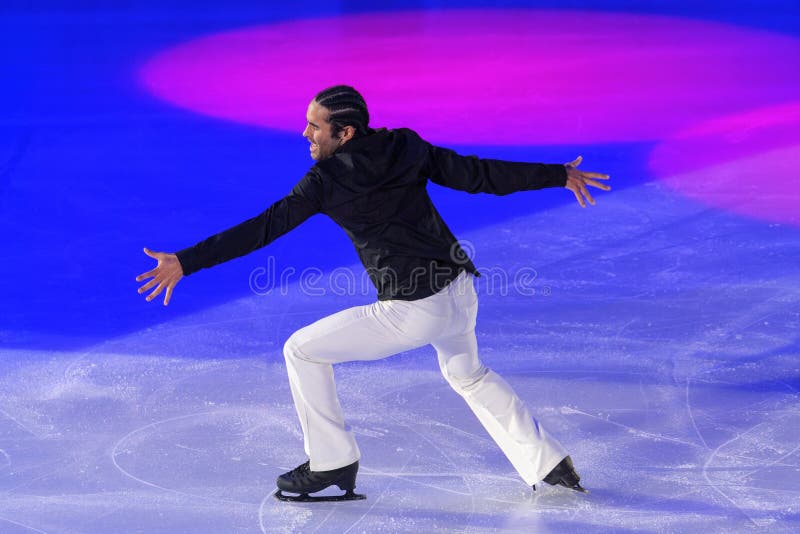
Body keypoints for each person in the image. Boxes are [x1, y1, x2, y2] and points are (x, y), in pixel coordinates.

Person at [136, 85, 610, 501]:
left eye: (315, 127)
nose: (305, 135)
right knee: (468, 374)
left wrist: (186, 261)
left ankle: (331, 462)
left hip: (413, 308)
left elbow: (264, 228)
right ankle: (549, 465)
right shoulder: (404, 145)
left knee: (301, 351)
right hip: (459, 291)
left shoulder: (324, 182)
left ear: (344, 133)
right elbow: (476, 175)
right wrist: (556, 174)